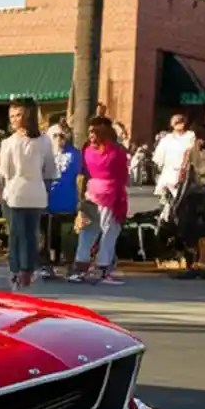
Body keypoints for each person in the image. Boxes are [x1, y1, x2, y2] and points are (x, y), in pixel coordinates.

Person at [0, 97, 56, 290]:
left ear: (28, 115)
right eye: (12, 116)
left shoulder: (9, 143)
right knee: (31, 233)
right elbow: (50, 170)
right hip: (37, 192)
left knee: (16, 233)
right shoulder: (45, 140)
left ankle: (17, 270)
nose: (14, 119)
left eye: (18, 115)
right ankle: (28, 269)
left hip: (16, 191)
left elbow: (5, 171)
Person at [70, 116, 129, 285]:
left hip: (90, 192)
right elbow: (122, 175)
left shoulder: (87, 150)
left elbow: (83, 171)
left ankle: (80, 268)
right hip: (110, 194)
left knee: (88, 231)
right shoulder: (115, 151)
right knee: (109, 231)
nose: (90, 135)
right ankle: (103, 269)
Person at [40, 125, 81, 278]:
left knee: (68, 237)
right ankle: (47, 265)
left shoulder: (75, 154)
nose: (59, 139)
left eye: (62, 136)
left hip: (68, 203)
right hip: (48, 203)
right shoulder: (44, 154)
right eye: (55, 136)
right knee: (49, 237)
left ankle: (69, 266)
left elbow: (81, 176)